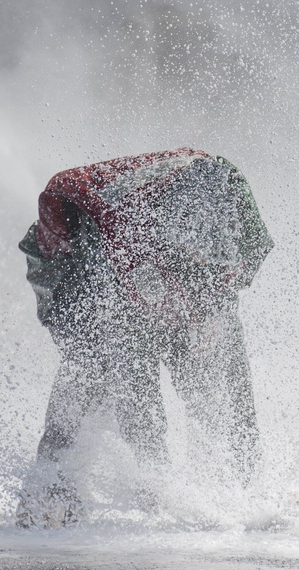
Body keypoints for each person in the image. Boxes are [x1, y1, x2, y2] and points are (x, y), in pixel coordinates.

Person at [16, 148, 273, 528]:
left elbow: (236, 384)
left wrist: (254, 487)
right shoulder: (117, 271)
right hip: (77, 248)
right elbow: (137, 392)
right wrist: (158, 485)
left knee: (214, 379)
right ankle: (49, 495)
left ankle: (237, 486)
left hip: (150, 230)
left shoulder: (228, 200)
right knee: (92, 367)